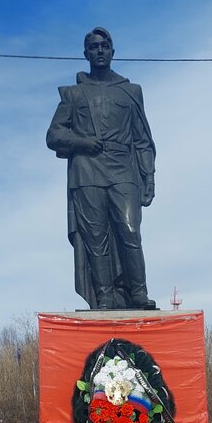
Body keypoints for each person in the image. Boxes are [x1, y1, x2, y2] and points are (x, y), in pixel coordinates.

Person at [46, 27, 156, 310]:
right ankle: (104, 297)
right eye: (94, 47)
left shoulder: (130, 92)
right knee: (96, 238)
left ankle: (138, 293)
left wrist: (149, 178)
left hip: (124, 171)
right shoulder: (73, 94)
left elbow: (143, 140)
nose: (99, 51)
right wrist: (81, 142)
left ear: (112, 52)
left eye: (104, 46)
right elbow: (53, 135)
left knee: (130, 231)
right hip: (88, 172)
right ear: (86, 54)